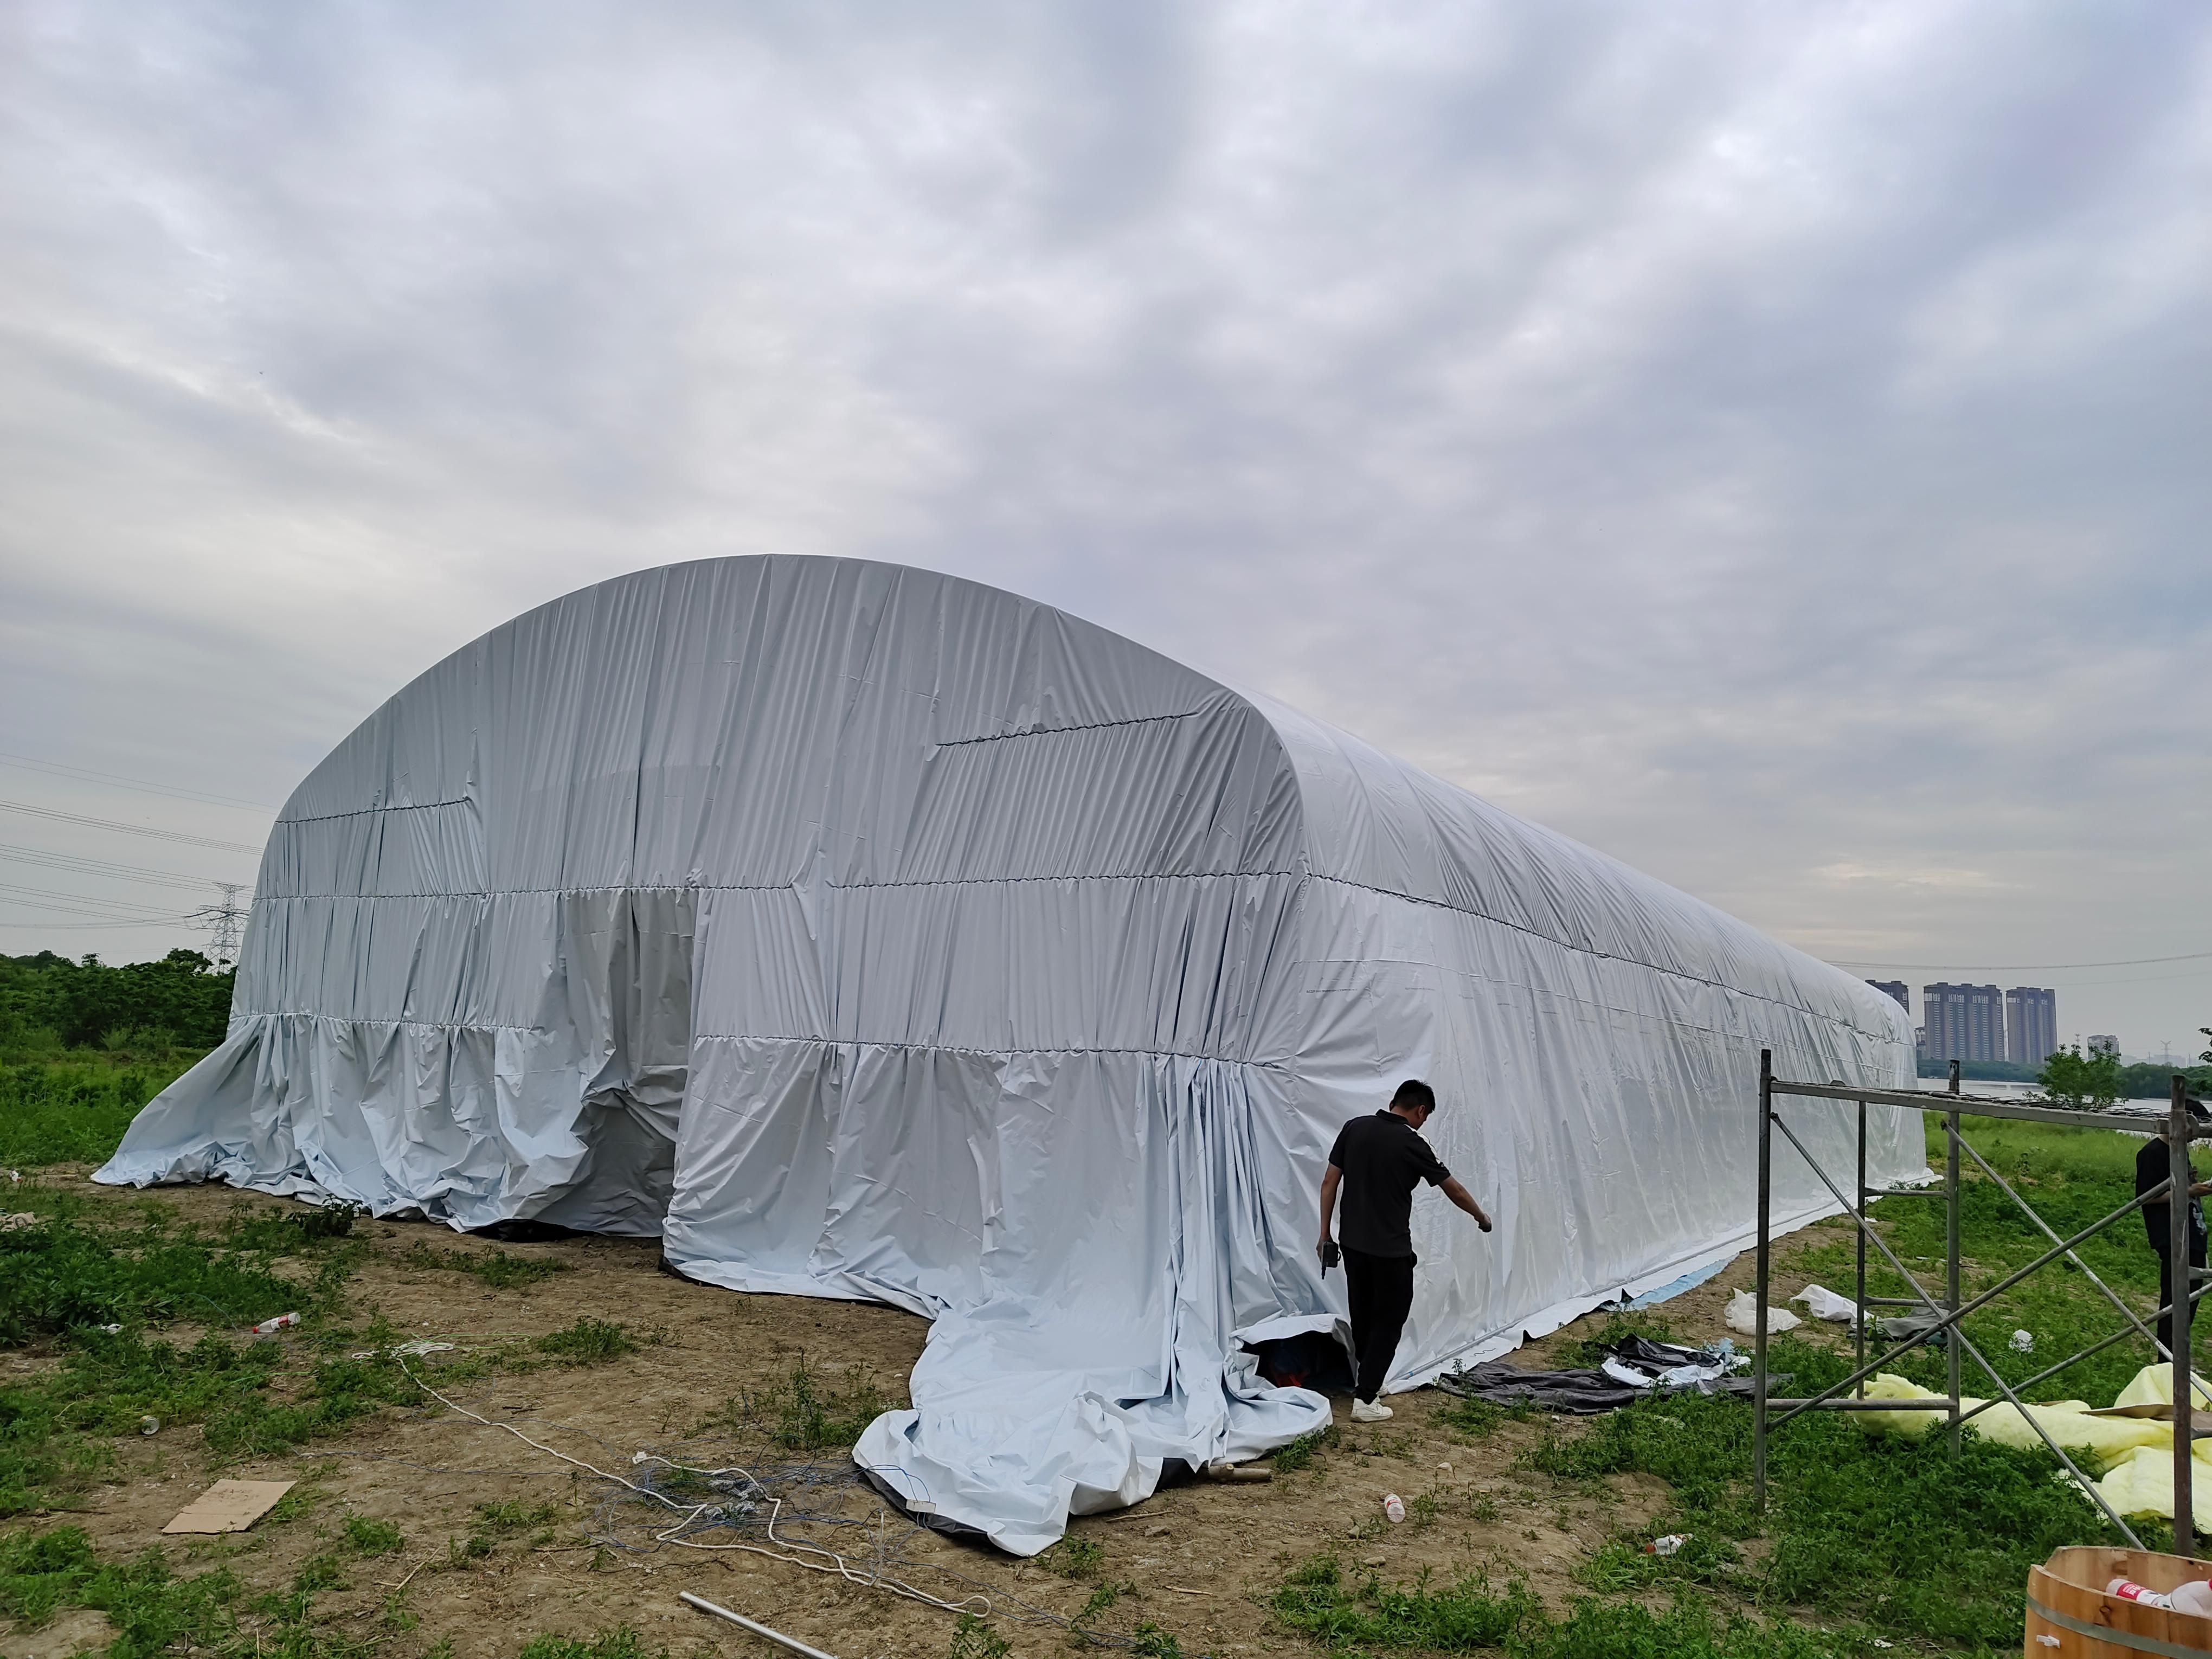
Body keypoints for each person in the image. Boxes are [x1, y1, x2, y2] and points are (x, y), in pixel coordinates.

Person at [1316, 1078, 1493, 1422]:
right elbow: (1453, 1189)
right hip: (1390, 1250)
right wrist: (1481, 1217)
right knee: (1390, 1320)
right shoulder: (1413, 1141)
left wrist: (1325, 1235)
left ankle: (1368, 1379)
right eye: (1425, 1117)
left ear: (1393, 1102)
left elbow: (1328, 1182)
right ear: (1421, 1110)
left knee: (1363, 1314)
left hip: (1351, 1243)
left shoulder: (1354, 1128)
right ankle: (1366, 1401)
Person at [2137, 1103, 2211, 1358]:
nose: (2195, 1138)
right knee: (2175, 1303)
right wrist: (2189, 1190)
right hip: (2173, 1237)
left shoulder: (2178, 1149)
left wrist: (2191, 1184)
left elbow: (2177, 1186)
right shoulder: (2153, 1153)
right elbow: (2146, 1197)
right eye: (2194, 1131)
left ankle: (2176, 1358)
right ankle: (2167, 1361)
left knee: (2189, 1302)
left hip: (2192, 1233)